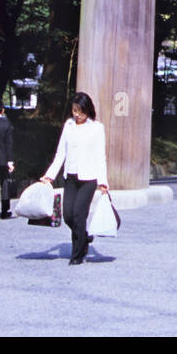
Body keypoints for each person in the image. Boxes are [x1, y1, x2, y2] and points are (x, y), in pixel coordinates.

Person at [41, 92, 109, 265]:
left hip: (89, 178)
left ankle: (77, 254)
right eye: (74, 111)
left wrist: (103, 181)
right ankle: (84, 237)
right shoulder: (69, 125)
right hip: (70, 176)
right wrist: (49, 175)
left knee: (79, 215)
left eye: (80, 111)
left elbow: (100, 156)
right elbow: (60, 152)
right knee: (68, 215)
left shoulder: (97, 128)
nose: (76, 115)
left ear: (88, 110)